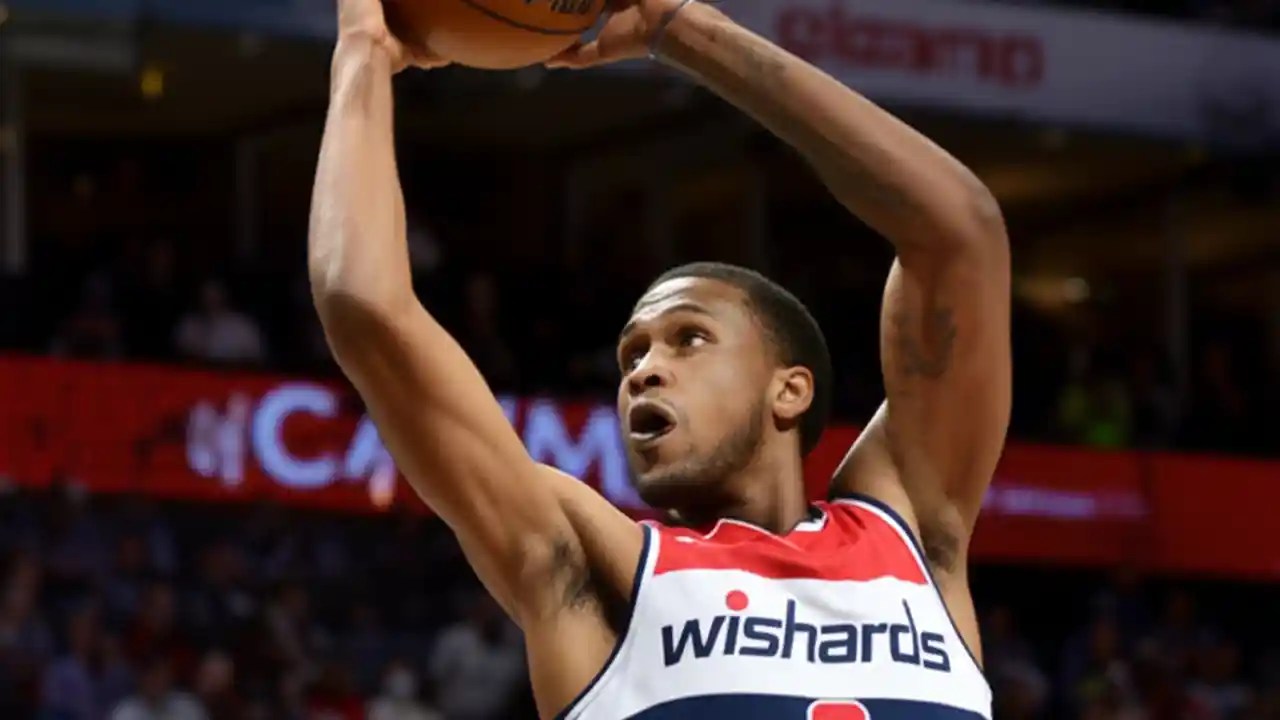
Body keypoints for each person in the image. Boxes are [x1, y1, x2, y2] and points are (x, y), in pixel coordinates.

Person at [309, 0, 1011, 717]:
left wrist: (676, 28)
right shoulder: (595, 566)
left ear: (790, 390)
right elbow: (364, 308)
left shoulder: (912, 528)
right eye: (630, 355)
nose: (642, 370)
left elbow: (959, 231)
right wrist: (363, 53)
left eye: (689, 338)